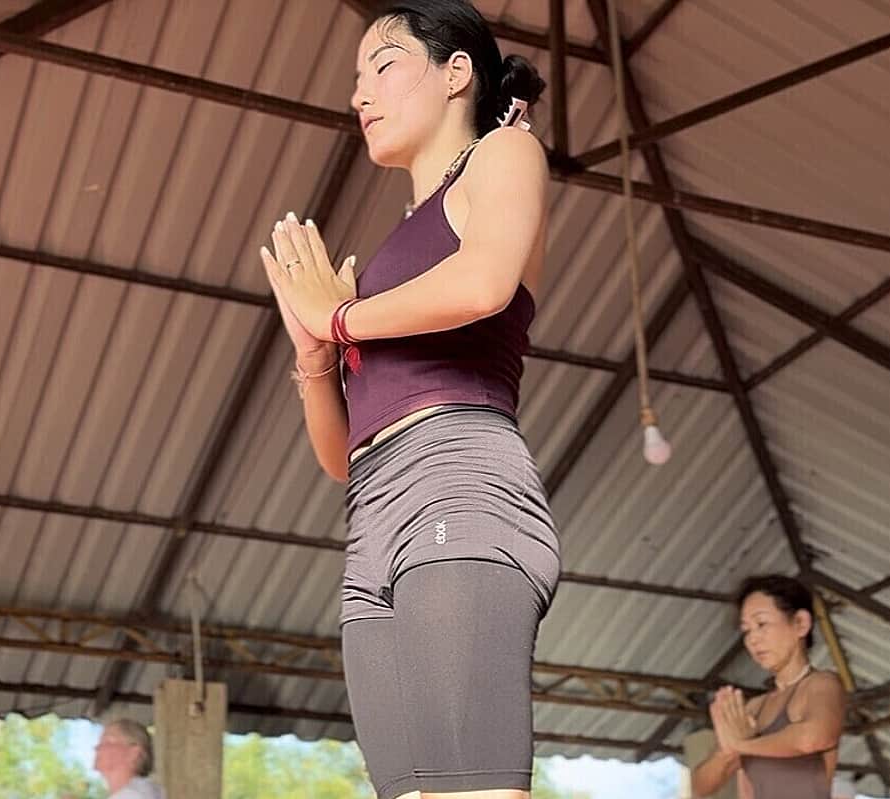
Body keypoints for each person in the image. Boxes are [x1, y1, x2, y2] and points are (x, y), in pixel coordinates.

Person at [258, 1, 560, 796]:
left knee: (476, 788)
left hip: (455, 477)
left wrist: (340, 313)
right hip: (372, 519)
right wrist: (314, 353)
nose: (361, 94)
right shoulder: (392, 252)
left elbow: (484, 282)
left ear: (458, 72)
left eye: (383, 67)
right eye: (356, 80)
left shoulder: (504, 153)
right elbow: (338, 455)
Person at [691, 575, 847, 799]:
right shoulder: (755, 708)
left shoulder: (822, 684)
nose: (753, 639)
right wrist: (727, 752)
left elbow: (811, 738)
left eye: (761, 624)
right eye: (746, 630)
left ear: (801, 623)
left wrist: (742, 745)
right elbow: (700, 787)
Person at [93, 719, 163, 799]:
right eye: (100, 743)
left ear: (134, 753)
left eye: (108, 741)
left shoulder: (133, 795)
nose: (97, 748)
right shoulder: (144, 792)